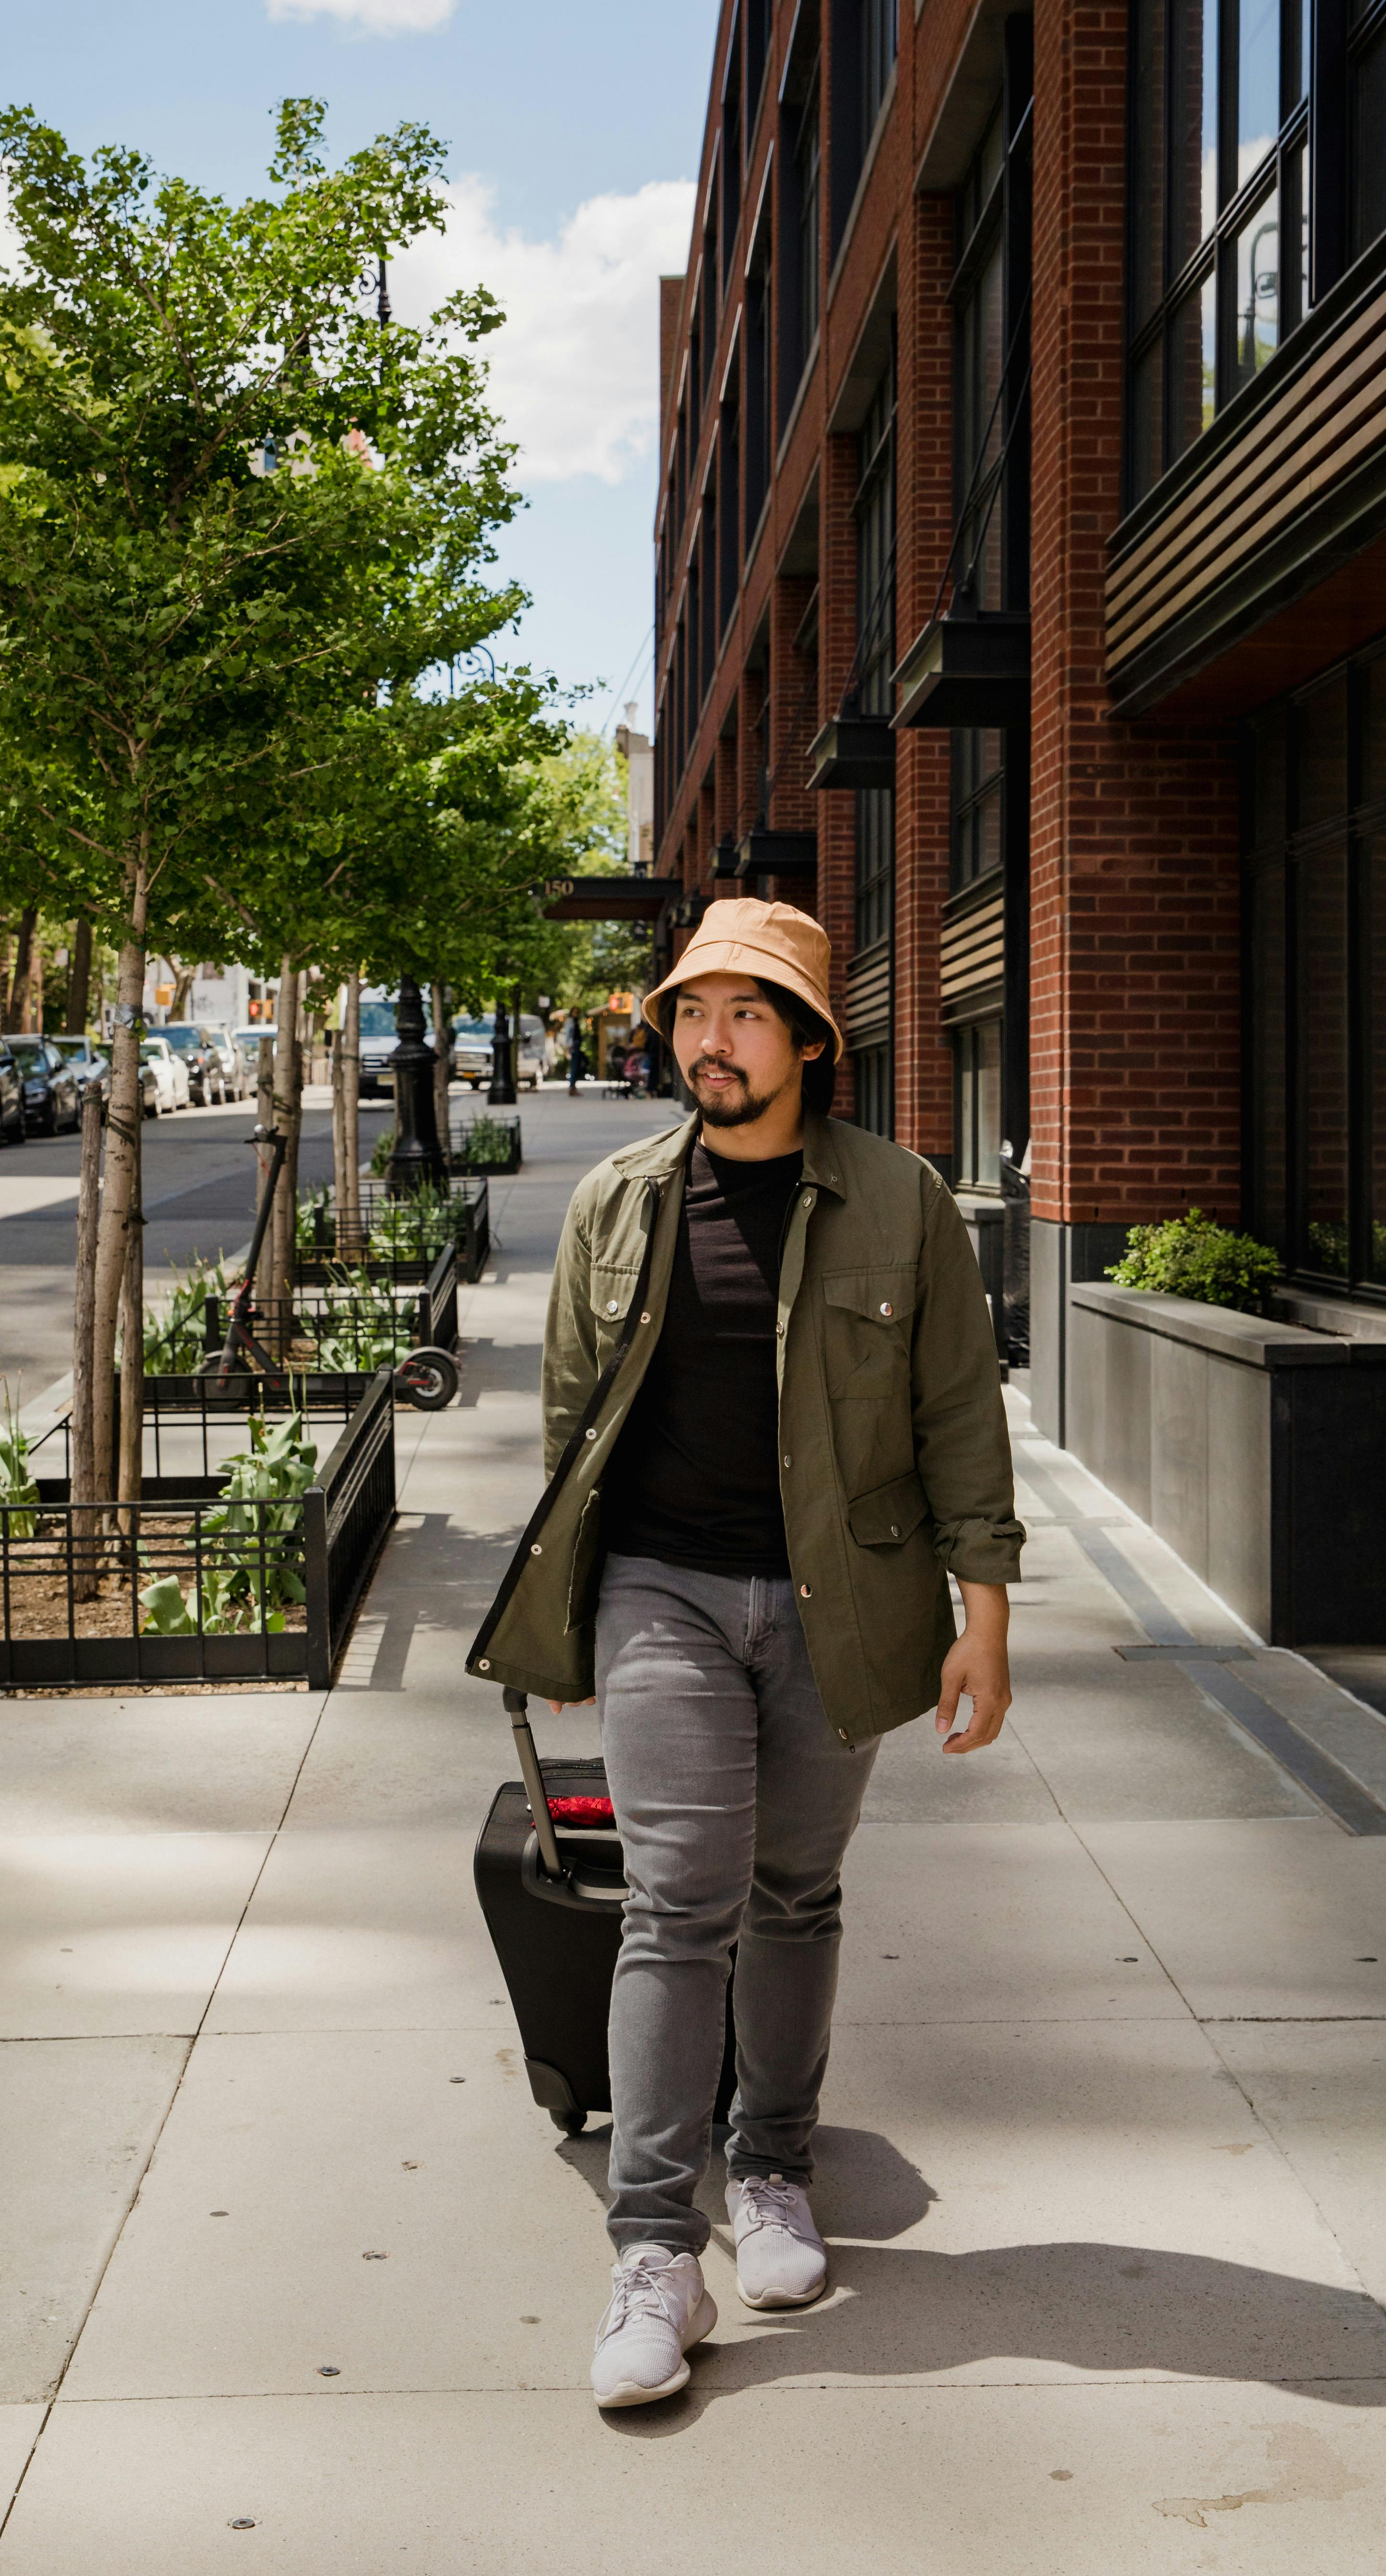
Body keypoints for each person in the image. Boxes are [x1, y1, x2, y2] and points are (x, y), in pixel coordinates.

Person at [470, 896, 1021, 2410]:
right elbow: (572, 1419)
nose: (708, 1037)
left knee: (797, 1891)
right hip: (665, 1595)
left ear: (807, 1040)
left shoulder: (904, 1202)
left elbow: (960, 1414)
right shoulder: (622, 1201)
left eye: (744, 1010)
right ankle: (655, 2248)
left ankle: (772, 2164)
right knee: (676, 1900)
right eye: (693, 1009)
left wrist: (986, 1614)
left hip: (844, 1603)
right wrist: (572, 1608)